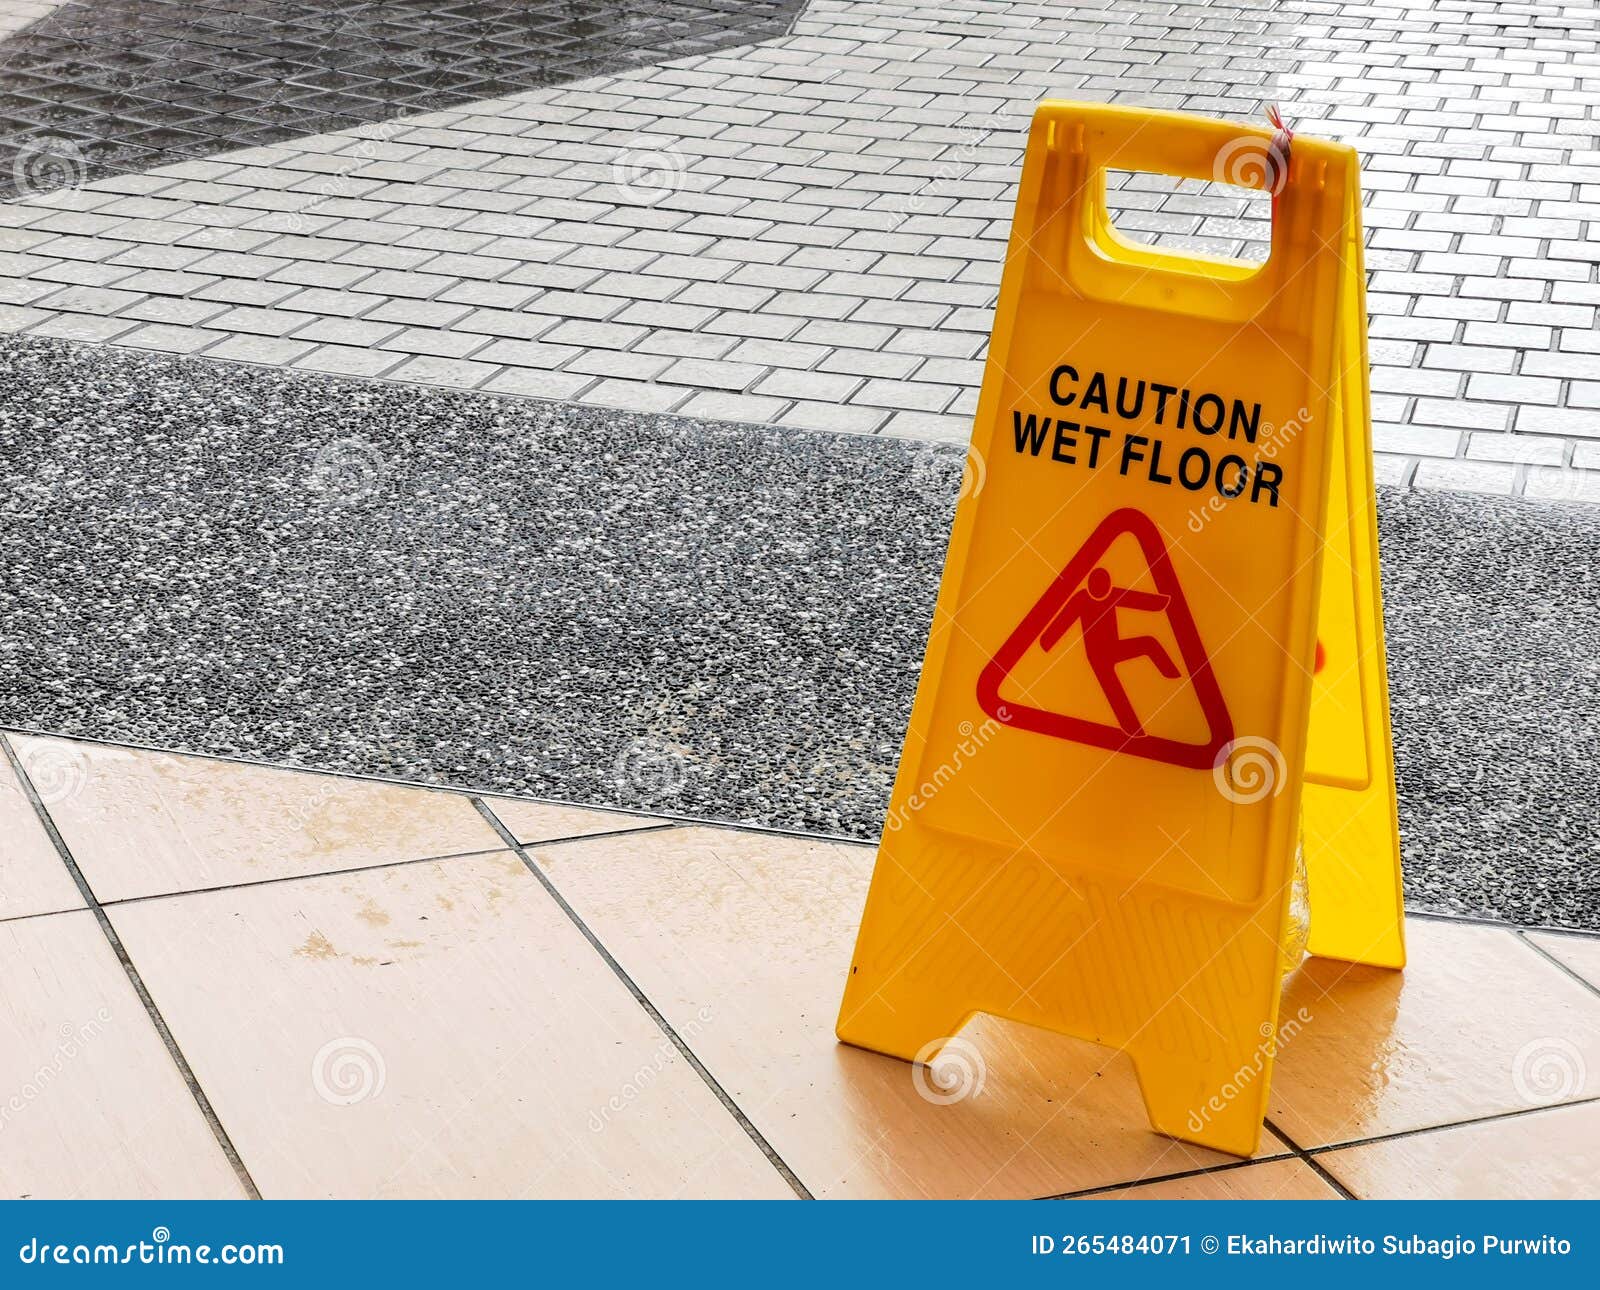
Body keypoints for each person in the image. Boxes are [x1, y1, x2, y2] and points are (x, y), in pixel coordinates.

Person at [1040, 566, 1178, 736]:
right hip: (1096, 656)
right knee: (1114, 690)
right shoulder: (1081, 599)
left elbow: (1138, 600)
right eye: (1097, 586)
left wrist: (1163, 603)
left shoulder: (1113, 594)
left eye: (1103, 586)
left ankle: (1175, 678)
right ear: (1091, 586)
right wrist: (1047, 642)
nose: (1100, 589)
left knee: (1149, 643)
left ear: (1108, 585)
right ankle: (1134, 730)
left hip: (1114, 647)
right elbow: (1062, 622)